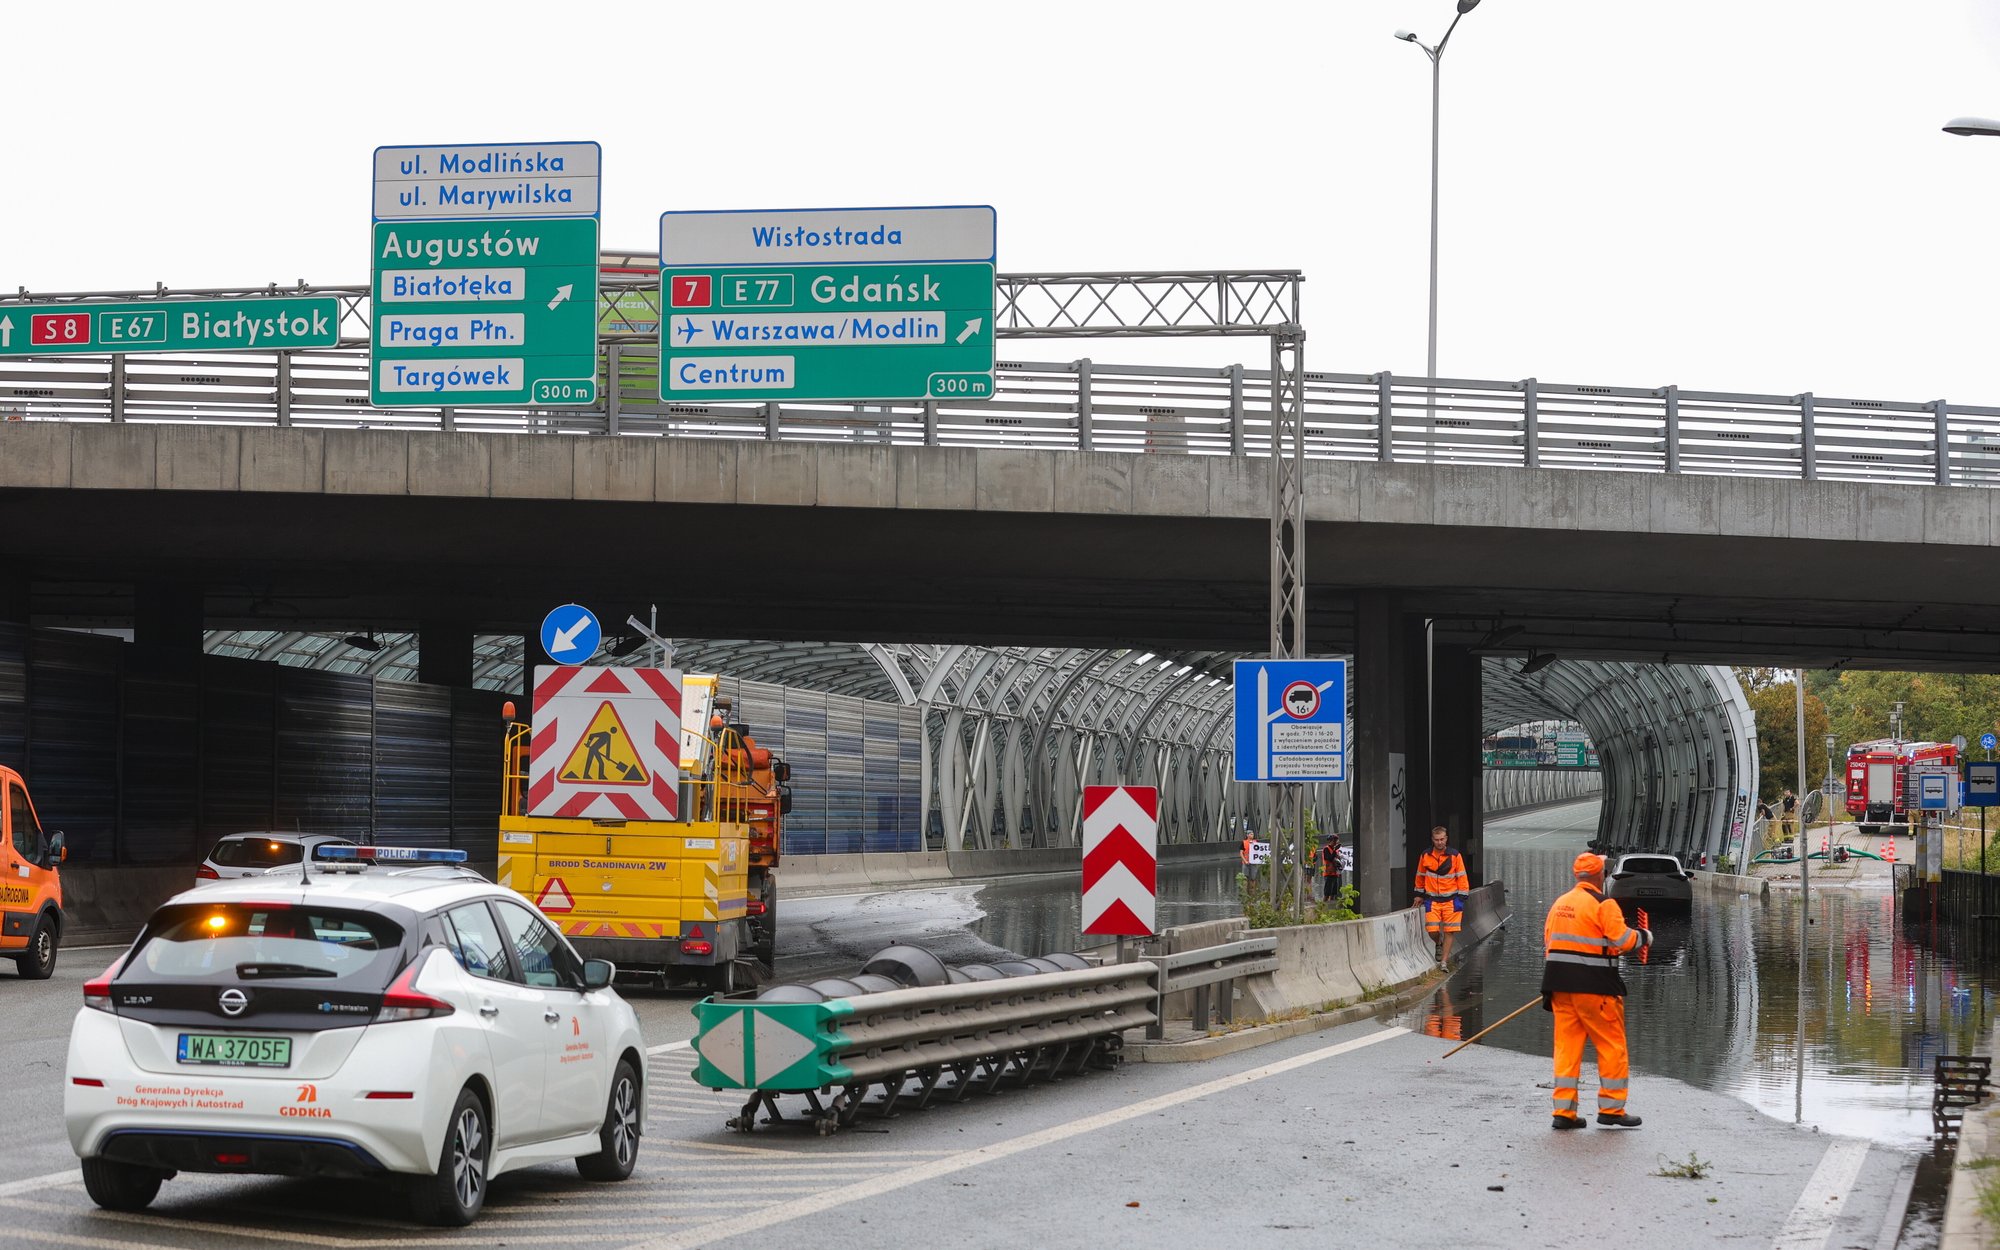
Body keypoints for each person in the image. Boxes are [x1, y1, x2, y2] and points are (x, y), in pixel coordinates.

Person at [1542, 852, 1651, 1131]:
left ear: (1576, 875)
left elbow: (1550, 943)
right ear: (1601, 876)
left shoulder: (1560, 903)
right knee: (1611, 1046)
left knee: (1566, 1049)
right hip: (1596, 989)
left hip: (1560, 987)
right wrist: (1644, 936)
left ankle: (1564, 1113)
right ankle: (1612, 1108)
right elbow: (1622, 940)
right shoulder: (1604, 904)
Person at [1413, 826, 1469, 967]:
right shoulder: (1425, 855)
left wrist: (1461, 898)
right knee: (1432, 930)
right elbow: (1420, 875)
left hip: (1451, 900)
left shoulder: (1455, 856)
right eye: (1437, 840)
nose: (1439, 842)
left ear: (1446, 839)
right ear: (1432, 840)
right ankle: (1438, 942)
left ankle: (1444, 961)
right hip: (1432, 900)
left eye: (1442, 839)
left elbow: (1462, 876)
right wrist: (1419, 895)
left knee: (1450, 931)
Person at [1319, 832, 1343, 902]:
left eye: (1336, 841)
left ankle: (1330, 908)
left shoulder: (1336, 850)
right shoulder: (1326, 849)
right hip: (1328, 873)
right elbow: (1329, 858)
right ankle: (1322, 908)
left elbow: (1337, 860)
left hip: (1335, 873)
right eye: (1334, 841)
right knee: (1327, 893)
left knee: (1333, 893)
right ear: (1330, 841)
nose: (1335, 842)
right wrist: (1335, 851)